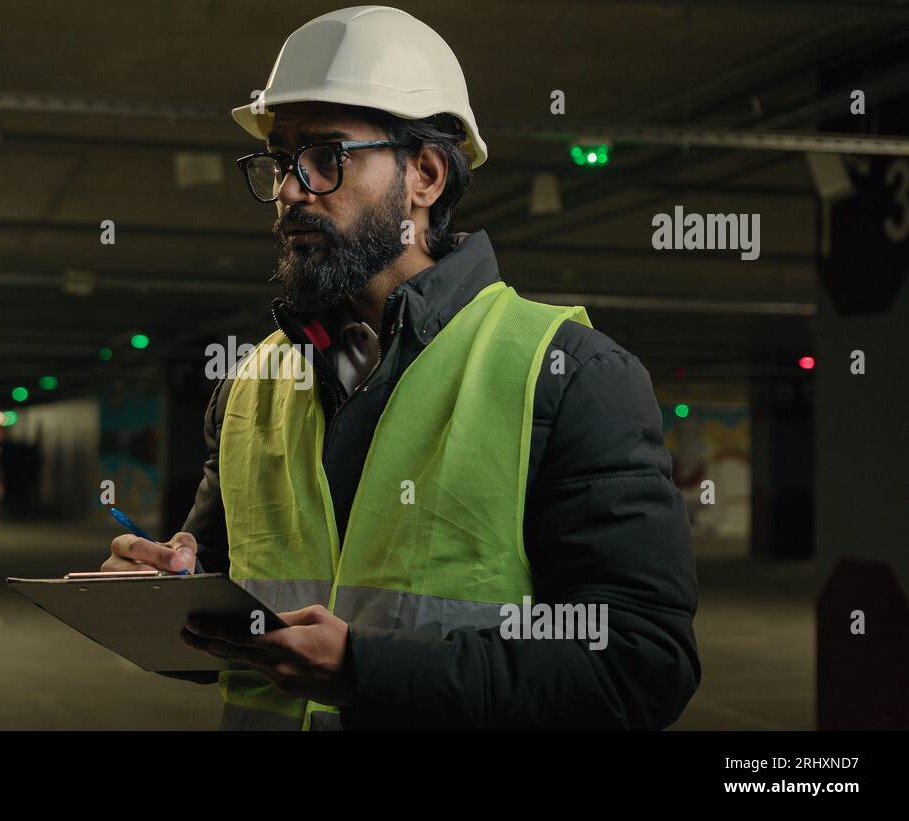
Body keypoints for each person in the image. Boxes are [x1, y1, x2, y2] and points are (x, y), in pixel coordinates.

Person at [103, 5, 699, 730]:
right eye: (281, 160)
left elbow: (640, 664)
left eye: (325, 156)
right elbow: (219, 619)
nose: (291, 189)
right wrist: (167, 591)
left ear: (424, 173)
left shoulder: (570, 375)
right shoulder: (250, 384)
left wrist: (364, 667)